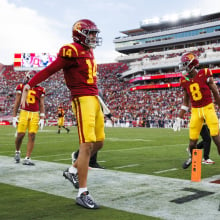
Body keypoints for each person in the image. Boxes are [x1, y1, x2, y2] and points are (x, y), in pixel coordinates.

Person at [20, 19, 103, 209]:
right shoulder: (71, 50)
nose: (94, 37)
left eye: (94, 33)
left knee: (99, 143)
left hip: (94, 98)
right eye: (90, 33)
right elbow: (51, 69)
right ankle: (82, 193)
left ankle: (72, 170)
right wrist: (29, 84)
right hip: (82, 99)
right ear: (80, 34)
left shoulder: (89, 50)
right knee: (86, 145)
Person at [174, 52, 220, 169]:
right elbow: (185, 102)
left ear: (192, 64)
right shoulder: (184, 80)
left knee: (216, 137)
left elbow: (215, 92)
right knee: (192, 142)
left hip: (208, 107)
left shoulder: (205, 73)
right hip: (195, 111)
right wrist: (179, 117)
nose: (183, 67)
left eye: (185, 64)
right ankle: (193, 159)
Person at [12, 71, 45, 165]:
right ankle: (17, 151)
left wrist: (42, 117)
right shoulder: (21, 87)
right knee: (20, 135)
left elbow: (42, 104)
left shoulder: (41, 89)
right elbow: (17, 102)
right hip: (24, 113)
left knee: (32, 135)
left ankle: (27, 157)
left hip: (35, 114)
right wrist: (14, 116)